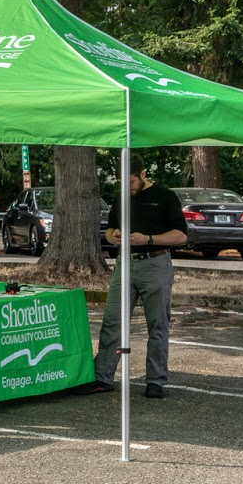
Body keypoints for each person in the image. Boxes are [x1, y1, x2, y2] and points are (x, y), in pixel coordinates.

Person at [71, 155, 187, 398]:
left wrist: (149, 239)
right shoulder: (121, 197)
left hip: (156, 262)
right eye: (123, 182)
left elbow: (180, 236)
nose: (129, 187)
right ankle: (102, 377)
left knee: (157, 324)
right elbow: (111, 229)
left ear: (143, 174)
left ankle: (155, 380)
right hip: (125, 263)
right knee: (112, 321)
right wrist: (114, 236)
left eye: (132, 181)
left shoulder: (165, 197)